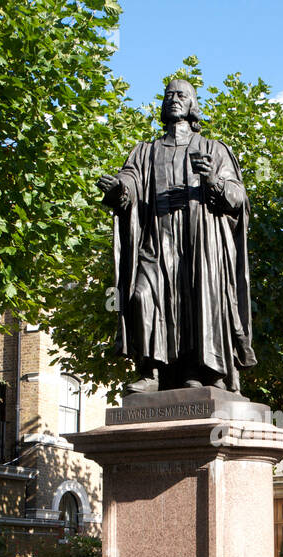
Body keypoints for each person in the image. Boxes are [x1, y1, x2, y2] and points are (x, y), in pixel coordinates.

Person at [96, 78, 256, 393]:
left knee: (197, 300)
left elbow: (238, 197)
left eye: (181, 94)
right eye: (169, 94)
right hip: (157, 234)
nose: (174, 98)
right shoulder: (145, 151)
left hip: (200, 239)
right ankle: (151, 372)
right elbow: (130, 180)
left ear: (193, 104)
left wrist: (213, 181)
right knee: (143, 294)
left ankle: (197, 370)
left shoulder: (213, 148)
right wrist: (120, 190)